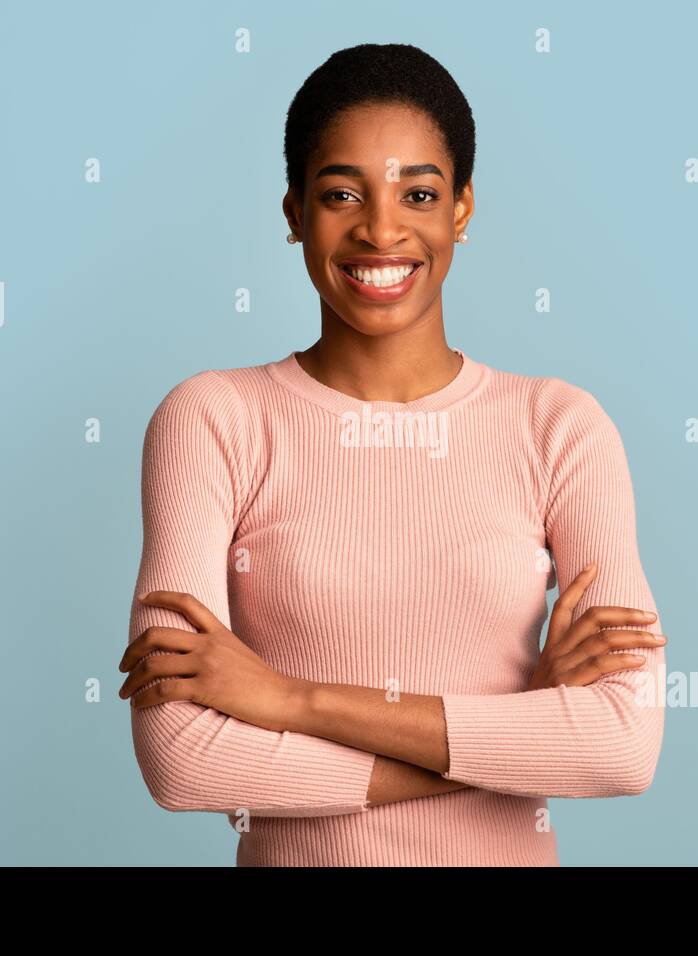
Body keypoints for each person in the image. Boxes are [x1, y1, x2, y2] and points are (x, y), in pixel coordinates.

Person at [118, 42, 667, 866]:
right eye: (342, 193)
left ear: (462, 210)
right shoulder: (216, 419)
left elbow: (622, 745)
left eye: (419, 192)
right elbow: (185, 762)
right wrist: (522, 722)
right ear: (295, 211)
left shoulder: (560, 427)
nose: (381, 229)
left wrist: (289, 699)